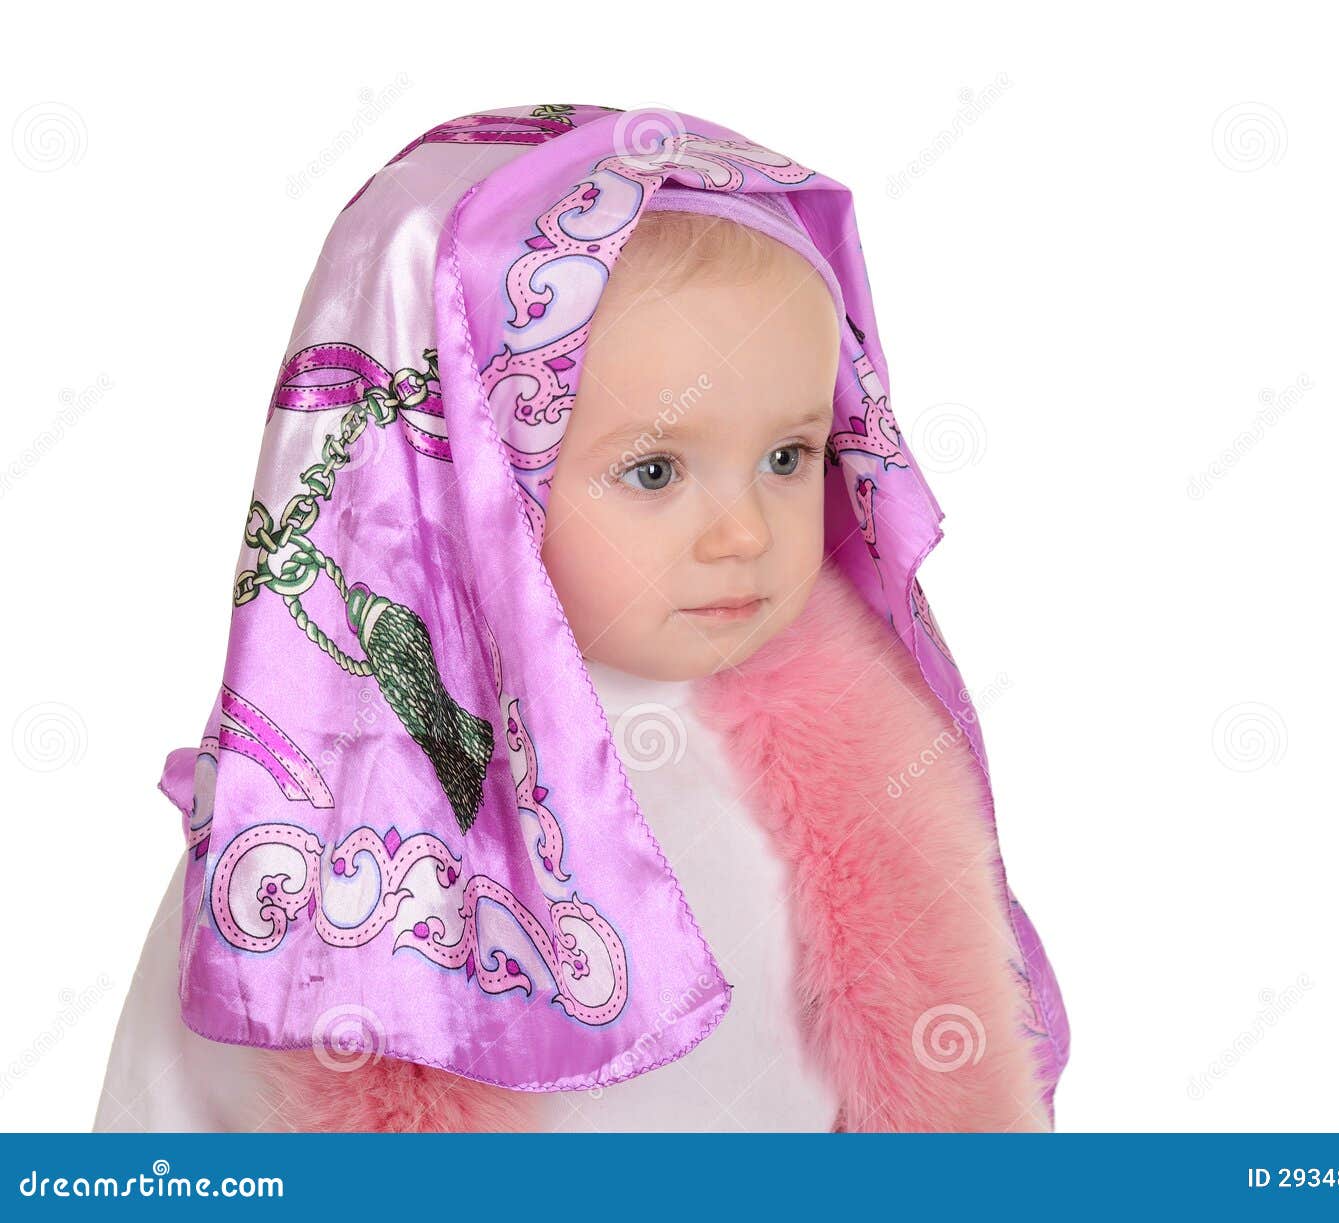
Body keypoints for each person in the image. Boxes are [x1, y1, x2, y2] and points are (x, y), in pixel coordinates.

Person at [94, 103, 1069, 1133]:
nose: (744, 532)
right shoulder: (319, 829)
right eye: (654, 471)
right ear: (469, 480)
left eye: (788, 457)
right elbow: (162, 1131)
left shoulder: (865, 763)